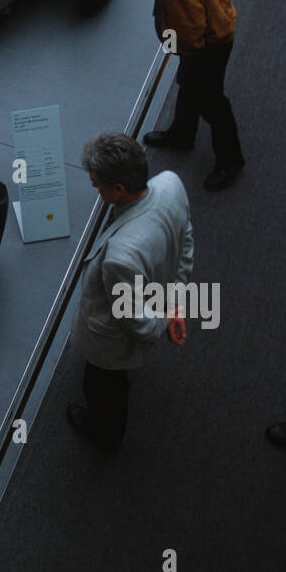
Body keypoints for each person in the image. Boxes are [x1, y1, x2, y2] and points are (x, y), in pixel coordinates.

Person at [68, 133, 192, 450]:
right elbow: (185, 240)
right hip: (155, 290)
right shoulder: (170, 184)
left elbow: (134, 320)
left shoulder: (120, 257)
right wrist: (175, 302)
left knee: (102, 389)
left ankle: (105, 435)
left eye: (97, 183)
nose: (94, 187)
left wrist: (162, 321)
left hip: (109, 344)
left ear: (119, 189)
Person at [134, 0, 244, 191]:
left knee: (212, 103)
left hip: (206, 44)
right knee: (187, 83)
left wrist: (173, 47)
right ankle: (182, 134)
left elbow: (190, 27)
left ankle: (231, 160)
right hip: (219, 24)